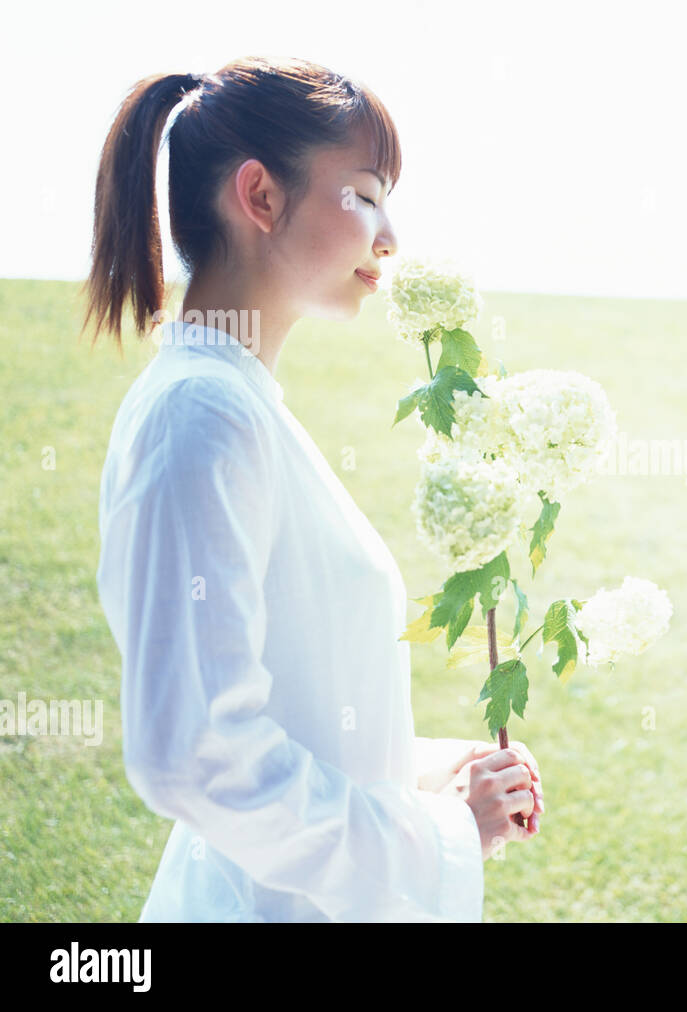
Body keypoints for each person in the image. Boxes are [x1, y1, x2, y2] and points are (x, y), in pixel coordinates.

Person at [86, 56, 542, 922]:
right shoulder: (201, 417)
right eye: (365, 194)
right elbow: (195, 753)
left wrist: (439, 778)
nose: (390, 236)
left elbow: (300, 710)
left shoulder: (242, 408)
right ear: (259, 195)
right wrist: (441, 839)